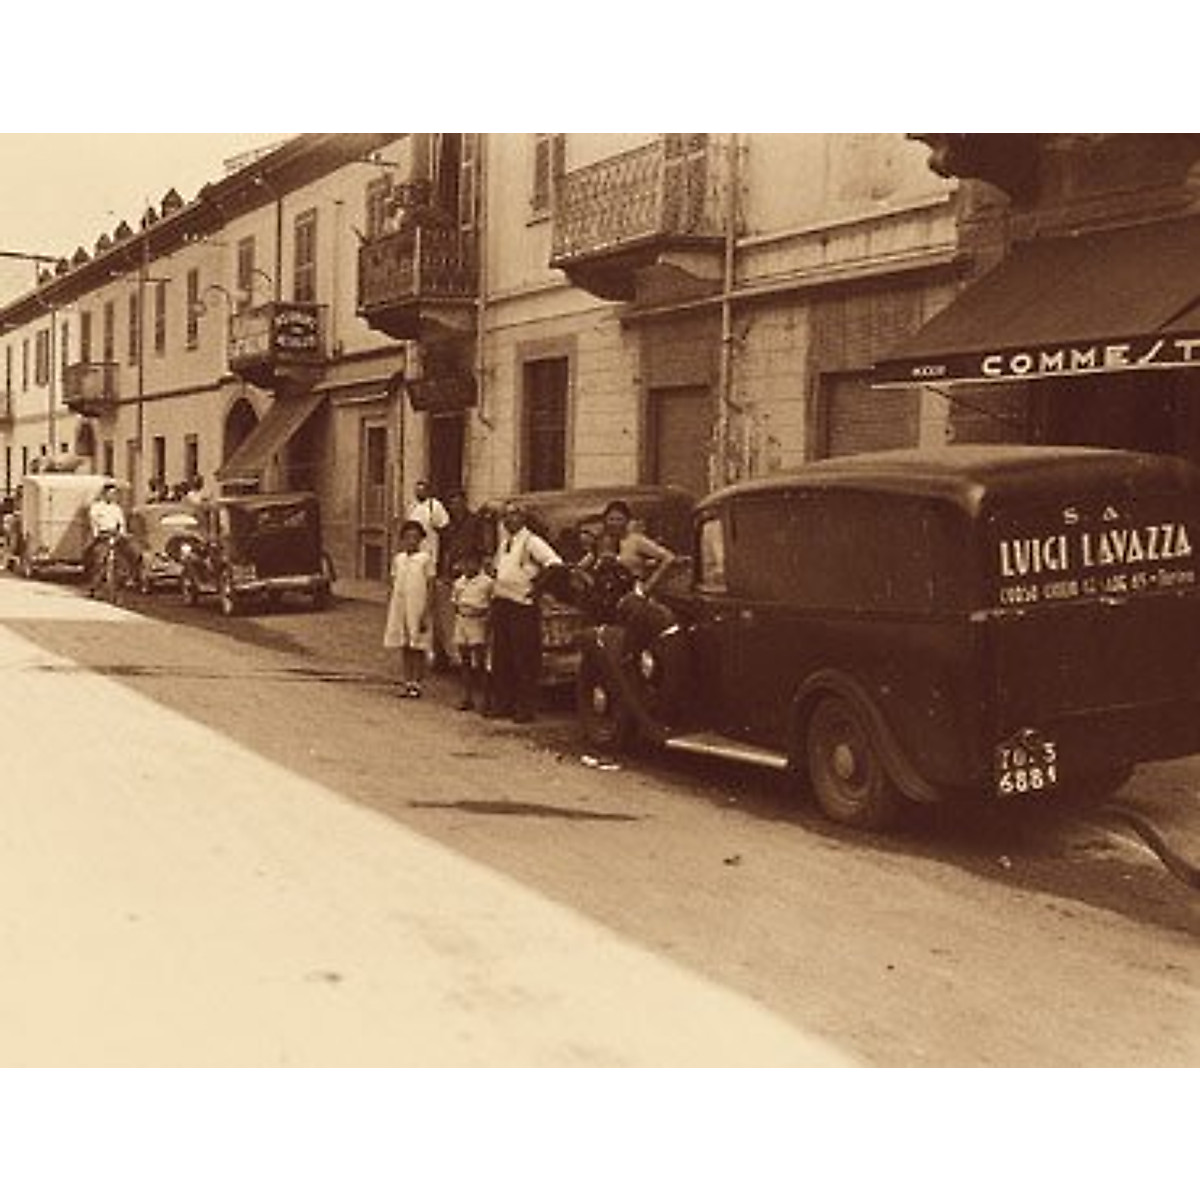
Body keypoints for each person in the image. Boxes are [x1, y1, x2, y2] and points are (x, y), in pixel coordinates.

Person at [487, 499, 562, 724]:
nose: (509, 520)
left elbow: (554, 564)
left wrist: (537, 588)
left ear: (523, 518)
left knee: (524, 658)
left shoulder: (532, 542)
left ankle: (525, 707)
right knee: (502, 657)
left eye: (514, 515)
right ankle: (504, 704)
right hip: (503, 603)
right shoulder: (505, 543)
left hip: (523, 606)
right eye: (506, 516)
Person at [383, 519, 436, 698]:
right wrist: (390, 603)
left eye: (415, 537)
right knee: (405, 644)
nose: (411, 541)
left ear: (421, 539)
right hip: (401, 605)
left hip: (417, 605)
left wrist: (426, 611)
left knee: (418, 645)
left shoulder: (425, 559)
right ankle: (407, 681)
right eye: (407, 537)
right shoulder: (399, 559)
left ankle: (417, 683)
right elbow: (393, 583)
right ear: (402, 540)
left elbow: (430, 586)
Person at [435, 488, 483, 668]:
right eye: (451, 503)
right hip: (451, 576)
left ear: (464, 502)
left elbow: (481, 547)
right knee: (447, 616)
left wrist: (471, 566)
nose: (454, 506)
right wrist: (445, 572)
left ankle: (472, 663)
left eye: (457, 502)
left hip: (470, 574)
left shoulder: (475, 522)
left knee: (470, 619)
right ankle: (447, 655)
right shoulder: (450, 526)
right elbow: (446, 550)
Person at [451, 548, 494, 712]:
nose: (467, 566)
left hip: (478, 622)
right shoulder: (459, 582)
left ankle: (485, 699)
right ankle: (467, 697)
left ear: (479, 563)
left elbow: (492, 604)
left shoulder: (487, 582)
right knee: (465, 661)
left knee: (481, 662)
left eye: (471, 562)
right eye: (464, 563)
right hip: (462, 620)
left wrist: (485, 619)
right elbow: (455, 603)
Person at [84, 482, 128, 594]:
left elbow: (121, 523)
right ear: (104, 494)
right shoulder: (97, 507)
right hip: (102, 535)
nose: (112, 496)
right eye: (110, 493)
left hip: (115, 535)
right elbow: (93, 522)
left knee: (124, 557)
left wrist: (121, 533)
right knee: (99, 559)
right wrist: (96, 534)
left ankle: (123, 581)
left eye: (114, 494)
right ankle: (94, 586)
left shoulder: (117, 508)